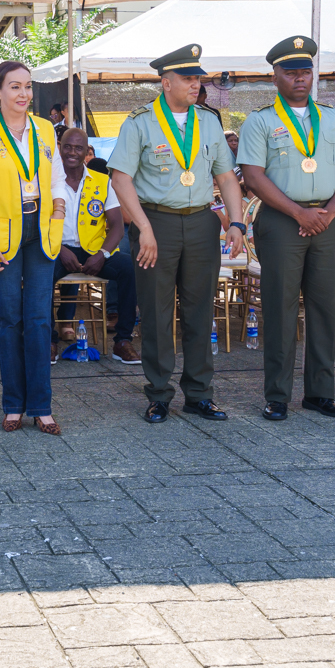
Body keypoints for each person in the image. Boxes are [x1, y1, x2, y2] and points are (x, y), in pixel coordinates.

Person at [108, 44, 246, 423]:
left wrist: (236, 221)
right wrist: (144, 228)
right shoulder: (139, 122)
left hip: (201, 222)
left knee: (200, 311)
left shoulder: (209, 121)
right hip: (157, 223)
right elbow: (121, 179)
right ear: (165, 83)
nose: (195, 84)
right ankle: (158, 394)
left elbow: (225, 176)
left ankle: (200, 394)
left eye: (197, 78)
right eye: (187, 78)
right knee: (156, 312)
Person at [237, 35, 335, 421]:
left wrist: (327, 213)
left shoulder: (334, 118)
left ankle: (320, 393)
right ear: (274, 77)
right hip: (281, 223)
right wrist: (298, 213)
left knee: (325, 308)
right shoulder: (260, 121)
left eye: (305, 71)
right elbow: (254, 177)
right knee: (281, 308)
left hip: (326, 220)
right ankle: (277, 395)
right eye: (291, 72)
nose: (300, 79)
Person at [0, 61, 67, 433]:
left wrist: (58, 209)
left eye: (27, 87)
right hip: (1, 234)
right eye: (14, 87)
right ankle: (12, 405)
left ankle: (41, 405)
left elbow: (55, 177)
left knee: (39, 319)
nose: (23, 94)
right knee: (9, 319)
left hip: (41, 227)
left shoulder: (44, 130)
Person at [52, 127, 138, 364]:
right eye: (67, 146)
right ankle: (49, 341)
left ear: (86, 151)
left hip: (94, 251)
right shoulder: (47, 180)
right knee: (40, 274)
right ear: (60, 147)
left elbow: (117, 226)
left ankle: (123, 341)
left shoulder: (102, 181)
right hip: (57, 249)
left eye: (78, 148)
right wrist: (59, 250)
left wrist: (102, 254)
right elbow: (37, 224)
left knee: (128, 268)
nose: (72, 152)